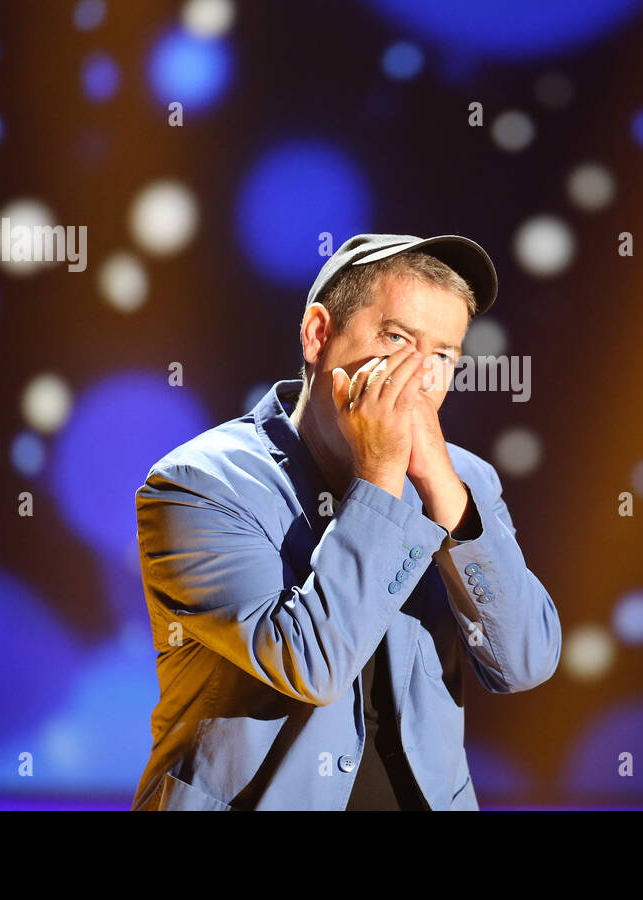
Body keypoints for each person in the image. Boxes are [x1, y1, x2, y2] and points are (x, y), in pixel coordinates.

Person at [130, 233, 562, 810]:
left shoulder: (464, 483)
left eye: (442, 356)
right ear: (317, 334)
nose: (421, 378)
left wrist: (442, 493)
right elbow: (313, 664)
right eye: (397, 339)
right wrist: (382, 475)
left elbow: (525, 662)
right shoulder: (199, 485)